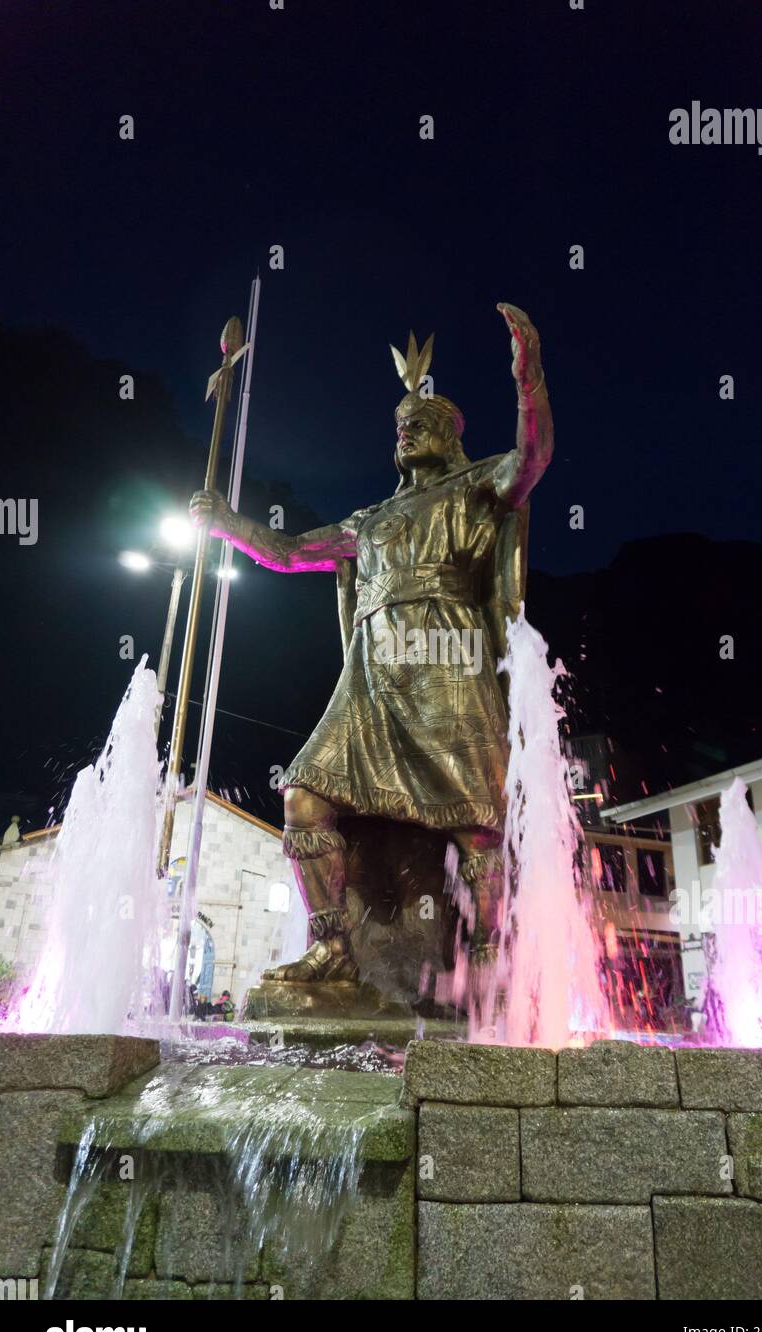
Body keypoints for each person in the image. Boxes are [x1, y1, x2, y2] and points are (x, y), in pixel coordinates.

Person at [190, 303, 553, 983]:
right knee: (302, 797)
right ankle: (333, 947)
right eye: (399, 427)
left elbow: (533, 457)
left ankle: (490, 958)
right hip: (372, 680)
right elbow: (291, 551)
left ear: (448, 436)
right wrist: (229, 524)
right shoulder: (371, 517)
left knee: (476, 821)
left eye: (419, 424)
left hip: (449, 662)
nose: (405, 432)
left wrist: (527, 379)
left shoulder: (478, 486)